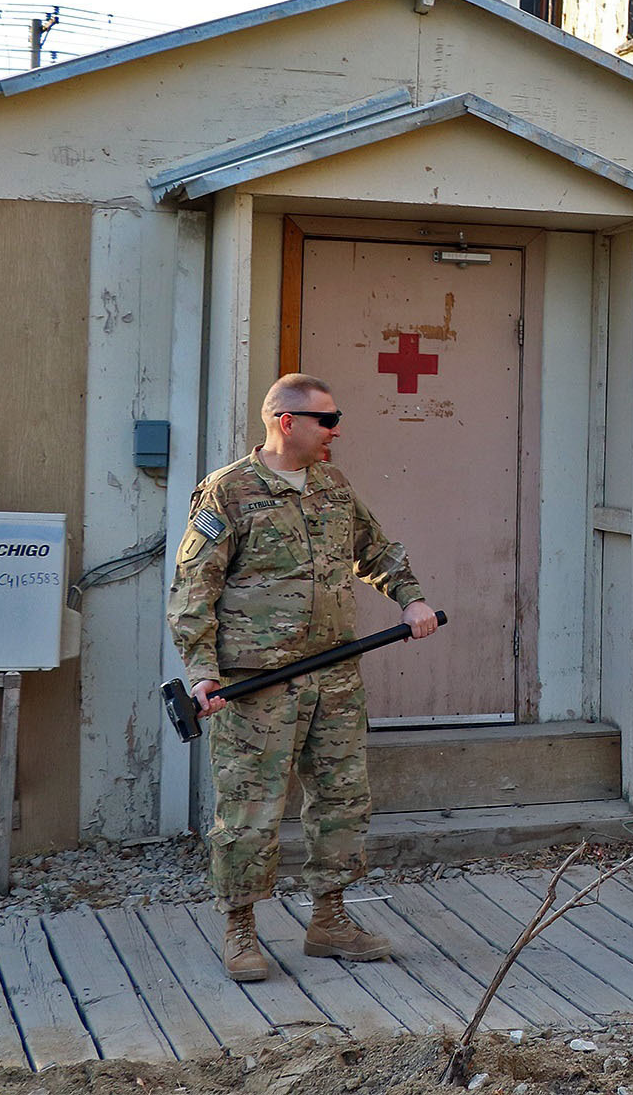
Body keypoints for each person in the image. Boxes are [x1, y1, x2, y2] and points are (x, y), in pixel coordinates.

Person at [167, 373, 438, 982]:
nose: (336, 430)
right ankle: (240, 928)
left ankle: (330, 920)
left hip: (334, 674)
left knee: (342, 798)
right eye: (327, 419)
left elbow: (376, 549)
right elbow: (193, 590)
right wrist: (202, 672)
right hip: (257, 683)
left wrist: (411, 599)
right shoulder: (228, 491)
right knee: (250, 808)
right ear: (287, 422)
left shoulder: (332, 485)